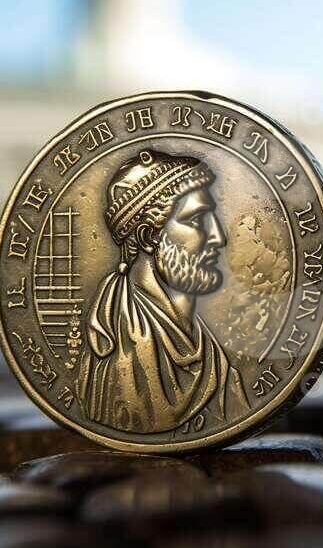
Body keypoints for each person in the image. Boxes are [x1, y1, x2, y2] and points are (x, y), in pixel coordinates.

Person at [77, 149, 249, 433]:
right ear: (148, 236)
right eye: (196, 220)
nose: (219, 237)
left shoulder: (206, 348)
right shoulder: (121, 350)